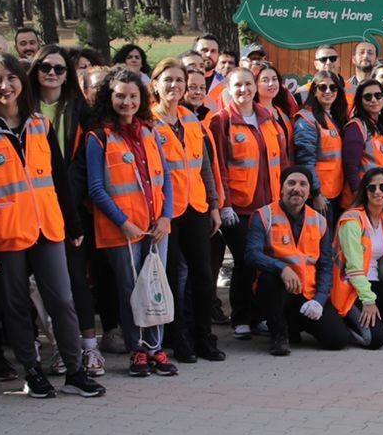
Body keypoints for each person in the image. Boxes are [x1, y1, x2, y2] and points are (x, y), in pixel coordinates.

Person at [0, 54, 105, 399]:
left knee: (63, 300)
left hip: (49, 228)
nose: (5, 86)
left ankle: (75, 370)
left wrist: (72, 225)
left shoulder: (39, 124)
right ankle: (32, 371)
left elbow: (58, 180)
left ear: (23, 84)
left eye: (11, 79)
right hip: (8, 234)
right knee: (15, 306)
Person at [85, 69, 174, 377]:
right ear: (109, 98)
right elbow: (96, 188)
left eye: (133, 96)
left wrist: (166, 216)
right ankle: (137, 350)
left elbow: (166, 178)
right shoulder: (98, 137)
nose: (127, 102)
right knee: (131, 290)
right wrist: (123, 222)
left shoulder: (150, 130)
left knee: (156, 287)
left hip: (156, 228)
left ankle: (156, 348)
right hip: (123, 231)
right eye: (120, 96)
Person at [29, 45, 104, 374]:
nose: (52, 73)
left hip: (69, 206)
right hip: (28, 204)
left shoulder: (78, 109)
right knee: (38, 285)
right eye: (45, 66)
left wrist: (66, 197)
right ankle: (60, 346)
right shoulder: (24, 105)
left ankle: (88, 347)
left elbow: (85, 160)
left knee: (74, 278)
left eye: (60, 69)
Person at [150, 57, 223, 364]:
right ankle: (178, 339)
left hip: (197, 207)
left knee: (203, 276)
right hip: (166, 211)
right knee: (169, 278)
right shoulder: (149, 122)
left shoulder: (191, 119)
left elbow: (204, 166)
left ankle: (203, 336)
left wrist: (215, 205)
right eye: (168, 80)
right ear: (155, 84)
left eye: (179, 81)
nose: (175, 86)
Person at [209, 66, 287, 341]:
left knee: (266, 261)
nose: (243, 90)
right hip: (239, 208)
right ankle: (241, 317)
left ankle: (261, 316)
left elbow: (282, 161)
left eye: (247, 85)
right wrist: (225, 203)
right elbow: (218, 166)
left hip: (270, 206)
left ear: (255, 87)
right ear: (228, 89)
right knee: (245, 261)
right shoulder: (221, 121)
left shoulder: (268, 118)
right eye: (237, 85)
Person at [251, 170, 353, 353]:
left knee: (337, 339)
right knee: (268, 280)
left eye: (302, 184)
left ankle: (295, 326)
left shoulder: (320, 221)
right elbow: (252, 255)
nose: (296, 189)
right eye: (291, 183)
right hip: (280, 290)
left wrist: (319, 300)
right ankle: (279, 335)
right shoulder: (264, 215)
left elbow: (326, 266)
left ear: (309, 192)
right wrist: (281, 268)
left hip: (309, 294)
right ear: (281, 188)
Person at [332, 168, 383, 348]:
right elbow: (353, 269)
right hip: (352, 291)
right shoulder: (351, 220)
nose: (378, 192)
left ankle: (377, 320)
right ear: (365, 191)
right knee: (376, 340)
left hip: (375, 286)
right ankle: (346, 324)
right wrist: (368, 301)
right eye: (372, 188)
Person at [291, 68, 349, 214]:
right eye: (323, 87)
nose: (328, 91)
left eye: (333, 87)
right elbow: (306, 161)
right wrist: (316, 193)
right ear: (314, 91)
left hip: (335, 191)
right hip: (317, 196)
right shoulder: (307, 120)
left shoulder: (336, 117)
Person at [344, 76, 383, 201]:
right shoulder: (355, 126)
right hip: (360, 196)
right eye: (368, 97)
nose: (373, 100)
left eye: (378, 95)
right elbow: (351, 166)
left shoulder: (379, 125)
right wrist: (358, 194)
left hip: (376, 195)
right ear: (360, 101)